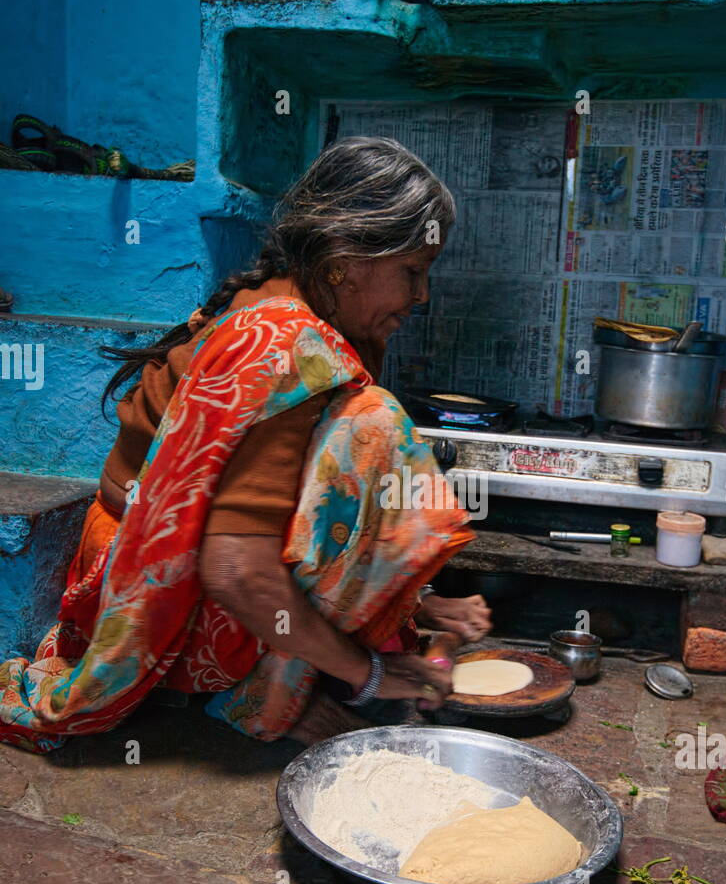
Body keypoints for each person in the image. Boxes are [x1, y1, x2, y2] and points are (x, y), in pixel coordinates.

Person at [0, 136, 492, 752]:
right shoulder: (288, 345)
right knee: (373, 426)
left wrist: (412, 604)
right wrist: (368, 675)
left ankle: (286, 661)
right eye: (412, 273)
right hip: (145, 592)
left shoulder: (279, 309)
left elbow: (282, 501)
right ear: (344, 259)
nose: (420, 297)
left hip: (148, 563)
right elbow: (234, 567)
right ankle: (255, 691)